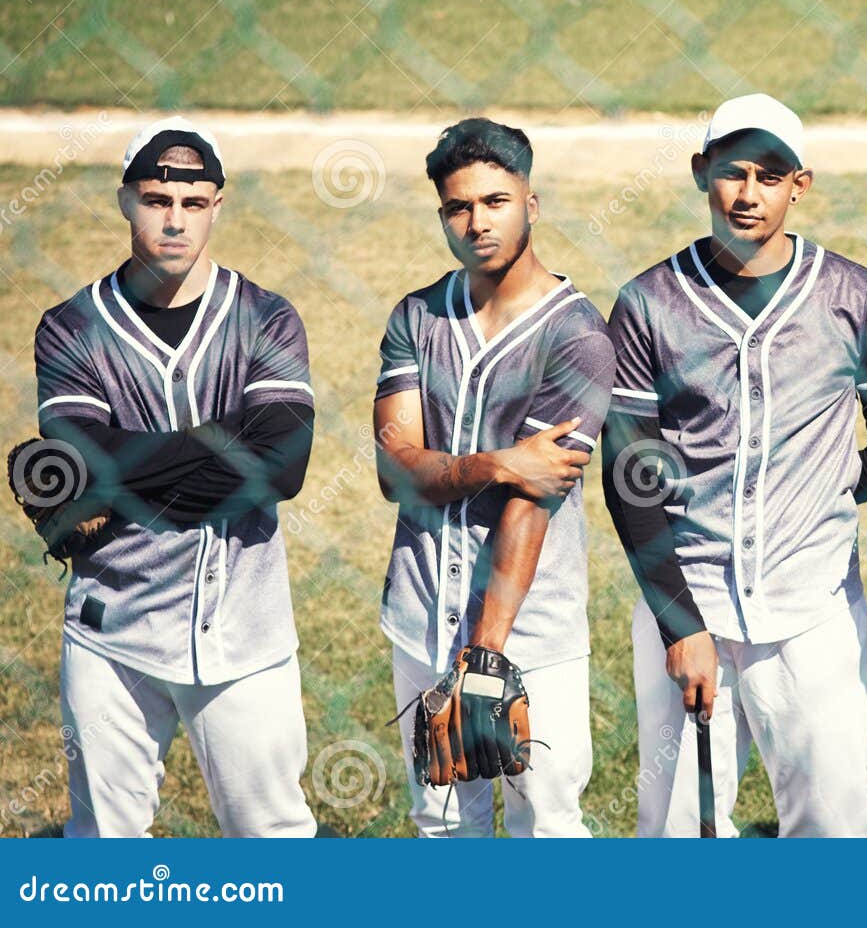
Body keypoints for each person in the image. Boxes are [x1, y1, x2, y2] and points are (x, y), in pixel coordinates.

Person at [603, 93, 867, 837]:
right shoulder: (649, 303)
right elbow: (629, 479)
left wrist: (835, 487)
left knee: (835, 829)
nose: (749, 194)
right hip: (687, 603)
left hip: (813, 608)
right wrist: (680, 626)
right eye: (732, 173)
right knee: (676, 830)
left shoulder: (852, 294)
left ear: (800, 185)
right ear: (699, 173)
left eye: (770, 176)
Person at [27, 116, 317, 836]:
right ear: (125, 201)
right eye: (157, 200)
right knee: (104, 843)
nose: (175, 221)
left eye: (193, 203)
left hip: (245, 629)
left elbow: (285, 464)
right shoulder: (71, 327)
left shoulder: (266, 318)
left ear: (217, 205)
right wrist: (227, 449)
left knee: (273, 835)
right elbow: (78, 446)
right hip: (111, 627)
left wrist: (112, 475)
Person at [372, 118, 615, 837]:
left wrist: (485, 655)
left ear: (531, 204)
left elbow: (530, 503)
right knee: (442, 825)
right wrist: (500, 460)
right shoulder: (416, 316)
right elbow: (395, 469)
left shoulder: (578, 336)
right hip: (420, 619)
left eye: (495, 202)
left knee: (547, 825)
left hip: (531, 634)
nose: (477, 222)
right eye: (458, 207)